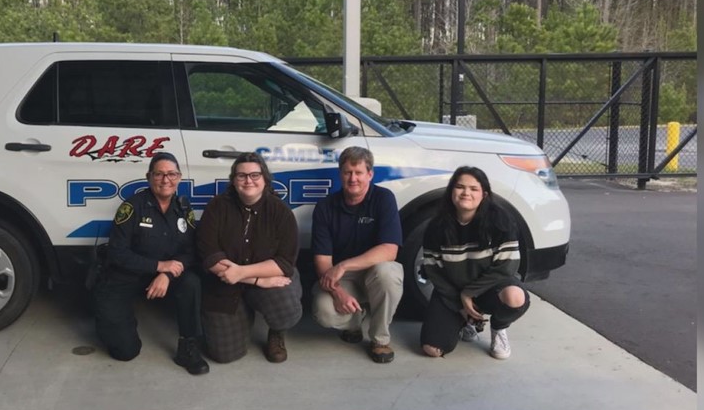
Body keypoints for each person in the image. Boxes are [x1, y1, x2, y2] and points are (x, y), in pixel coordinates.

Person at [93, 153, 209, 375]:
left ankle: (188, 346)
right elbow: (117, 254)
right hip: (125, 275)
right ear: (149, 177)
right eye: (159, 174)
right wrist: (159, 266)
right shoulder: (132, 207)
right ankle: (117, 320)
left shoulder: (184, 208)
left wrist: (167, 274)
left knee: (191, 283)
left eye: (172, 174)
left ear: (180, 178)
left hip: (163, 274)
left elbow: (190, 251)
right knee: (124, 351)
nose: (166, 180)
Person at [196, 152, 302, 363]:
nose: (248, 180)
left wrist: (242, 272)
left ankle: (276, 331)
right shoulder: (217, 207)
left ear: (265, 179)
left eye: (255, 175)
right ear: (234, 180)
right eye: (241, 176)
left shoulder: (281, 212)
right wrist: (257, 280)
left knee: (286, 311)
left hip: (257, 277)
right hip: (225, 282)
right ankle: (243, 313)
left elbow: (284, 263)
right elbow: (209, 256)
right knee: (224, 355)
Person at [420, 166, 530, 360]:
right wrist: (459, 302)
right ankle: (467, 322)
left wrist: (469, 292)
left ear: (484, 194)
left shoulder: (500, 220)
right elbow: (434, 272)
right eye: (460, 187)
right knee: (432, 350)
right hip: (452, 291)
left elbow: (508, 266)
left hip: (491, 288)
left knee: (515, 297)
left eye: (473, 188)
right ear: (451, 191)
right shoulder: (436, 226)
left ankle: (499, 328)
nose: (466, 193)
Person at [311, 147, 404, 363]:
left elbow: (390, 250)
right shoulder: (325, 207)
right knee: (323, 311)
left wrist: (343, 266)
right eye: (347, 172)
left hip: (374, 272)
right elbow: (322, 262)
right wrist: (338, 294)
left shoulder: (384, 198)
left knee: (388, 272)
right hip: (343, 280)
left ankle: (380, 339)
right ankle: (355, 319)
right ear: (340, 174)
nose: (353, 178)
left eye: (359, 172)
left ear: (370, 174)